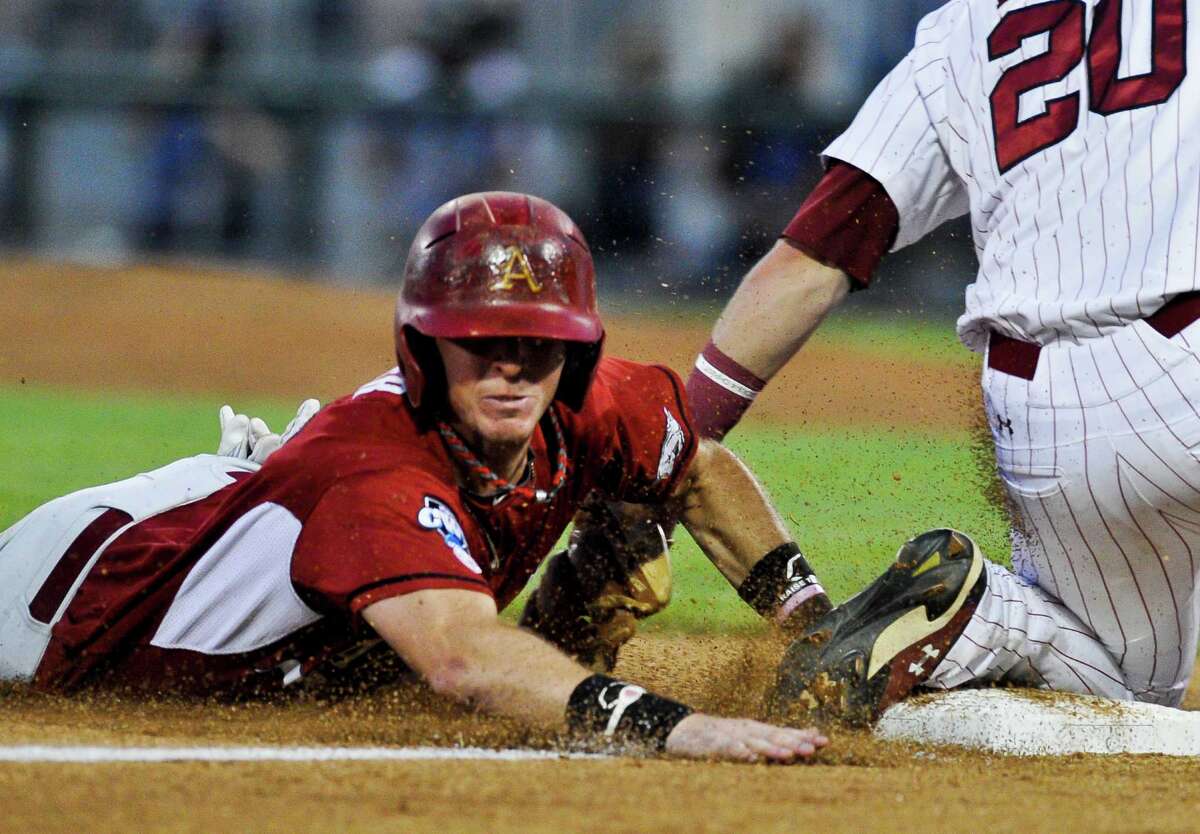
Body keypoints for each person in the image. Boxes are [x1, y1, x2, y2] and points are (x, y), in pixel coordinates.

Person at [0, 191, 831, 762]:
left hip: (271, 570)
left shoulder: (593, 403)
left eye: (537, 342)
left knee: (620, 529)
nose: (510, 368)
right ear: (423, 346)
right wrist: (675, 728)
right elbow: (462, 662)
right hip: (68, 614)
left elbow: (698, 473)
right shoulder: (377, 478)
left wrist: (815, 631)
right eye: (480, 340)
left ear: (576, 351)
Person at [685, 1, 1199, 722]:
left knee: (1132, 703)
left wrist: (677, 441)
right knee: (1138, 713)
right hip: (1189, 335)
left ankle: (986, 617)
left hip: (1049, 414)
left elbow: (816, 254)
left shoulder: (961, 32)